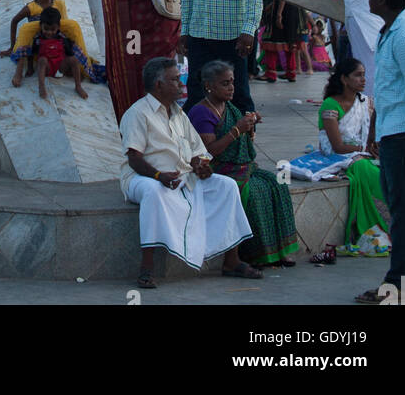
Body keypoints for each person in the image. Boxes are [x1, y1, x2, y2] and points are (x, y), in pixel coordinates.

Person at [119, 57, 258, 289]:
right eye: (175, 80)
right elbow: (134, 158)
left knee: (227, 186)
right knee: (153, 192)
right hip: (143, 178)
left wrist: (200, 166)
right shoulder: (138, 113)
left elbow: (198, 151)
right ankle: (147, 267)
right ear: (158, 85)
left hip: (181, 177)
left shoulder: (179, 114)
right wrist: (158, 176)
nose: (181, 84)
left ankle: (231, 261)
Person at [188, 60, 298, 268]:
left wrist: (250, 127)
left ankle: (281, 250)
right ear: (209, 85)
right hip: (217, 170)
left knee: (278, 184)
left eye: (232, 82)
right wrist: (237, 130)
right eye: (224, 83)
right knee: (254, 192)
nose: (231, 88)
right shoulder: (201, 112)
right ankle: (257, 254)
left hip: (242, 166)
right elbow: (209, 152)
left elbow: (244, 142)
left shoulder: (230, 107)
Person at [355, 0, 405, 303]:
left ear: (381, 0)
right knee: (401, 207)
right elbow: (387, 88)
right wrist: (375, 131)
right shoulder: (389, 31)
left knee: (404, 211)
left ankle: (397, 286)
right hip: (393, 131)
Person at [317, 57, 388, 258]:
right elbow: (337, 146)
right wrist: (363, 149)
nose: (363, 80)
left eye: (364, 75)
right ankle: (386, 227)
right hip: (337, 158)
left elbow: (371, 134)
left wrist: (374, 145)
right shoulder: (330, 105)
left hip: (361, 155)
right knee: (369, 172)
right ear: (344, 79)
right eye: (358, 75)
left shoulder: (366, 102)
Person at [6, 0, 105, 83]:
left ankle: (86, 68)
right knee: (26, 29)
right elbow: (14, 21)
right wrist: (12, 46)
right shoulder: (31, 7)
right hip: (39, 45)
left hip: (55, 44)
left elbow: (63, 30)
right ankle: (19, 72)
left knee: (72, 26)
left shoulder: (59, 4)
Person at [12, 6, 88, 100]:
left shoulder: (62, 38)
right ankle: (42, 87)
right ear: (41, 26)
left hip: (60, 66)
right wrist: (30, 68)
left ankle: (78, 86)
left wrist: (71, 69)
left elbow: (70, 53)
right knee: (42, 60)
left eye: (53, 29)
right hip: (47, 68)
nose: (49, 32)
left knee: (74, 60)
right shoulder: (38, 39)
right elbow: (31, 53)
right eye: (46, 29)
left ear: (58, 27)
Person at [259, 0, 306, 83]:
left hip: (284, 11)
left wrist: (279, 14)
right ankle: (291, 73)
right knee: (289, 43)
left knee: (273, 41)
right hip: (292, 11)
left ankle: (271, 73)